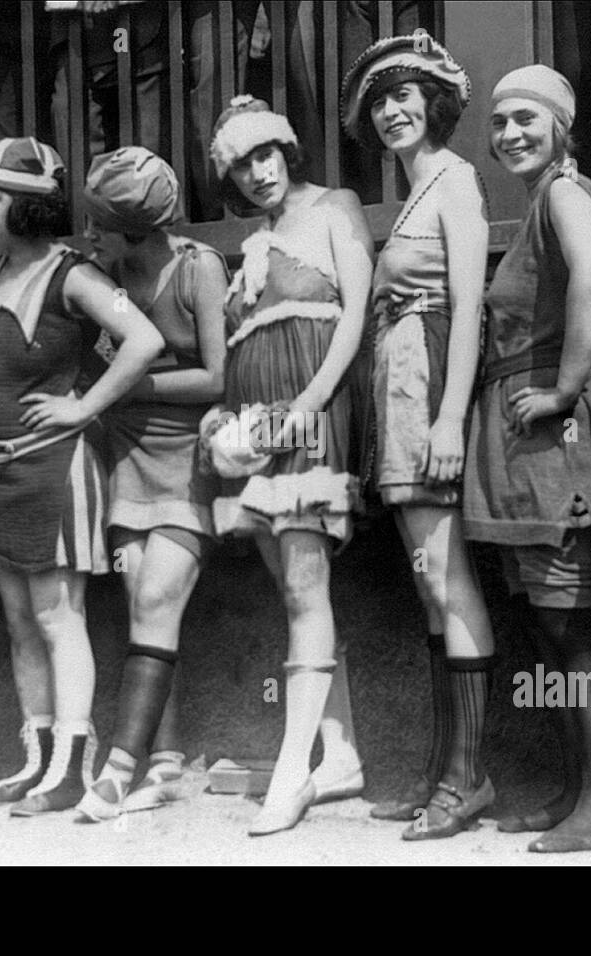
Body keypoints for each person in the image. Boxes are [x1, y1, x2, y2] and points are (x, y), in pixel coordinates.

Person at [0, 137, 164, 817]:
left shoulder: (72, 274)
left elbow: (145, 341)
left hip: (56, 468)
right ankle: (36, 760)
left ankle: (73, 765)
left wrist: (83, 405)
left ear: (27, 206)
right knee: (19, 621)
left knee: (57, 615)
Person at [463, 65, 591, 851]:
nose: (509, 134)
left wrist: (563, 390)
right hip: (515, 439)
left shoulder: (564, 191)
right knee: (548, 630)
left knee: (572, 626)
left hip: (549, 433)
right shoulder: (542, 201)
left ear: (561, 125)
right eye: (498, 123)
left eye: (526, 117)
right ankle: (572, 792)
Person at [340, 35, 496, 841]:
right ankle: (448, 769)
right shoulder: (414, 190)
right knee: (429, 583)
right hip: (400, 393)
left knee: (447, 575)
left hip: (432, 385)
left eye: (405, 95)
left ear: (433, 103)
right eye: (379, 100)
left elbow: (467, 307)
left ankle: (468, 778)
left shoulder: (456, 182)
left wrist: (446, 417)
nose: (393, 110)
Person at [208, 95, 370, 836]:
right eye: (240, 166)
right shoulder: (254, 242)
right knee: (293, 590)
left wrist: (307, 405)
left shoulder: (335, 208)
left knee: (306, 586)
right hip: (256, 430)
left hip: (308, 417)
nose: (256, 173)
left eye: (264, 155)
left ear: (287, 150)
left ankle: (290, 769)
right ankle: (339, 754)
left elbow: (355, 320)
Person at [74, 146, 227, 819]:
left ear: (133, 228)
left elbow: (217, 377)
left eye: (100, 227)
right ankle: (163, 762)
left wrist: (123, 392)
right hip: (128, 455)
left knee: (159, 593)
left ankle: (117, 770)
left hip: (186, 454)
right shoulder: (109, 275)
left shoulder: (199, 268)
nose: (90, 238)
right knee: (142, 600)